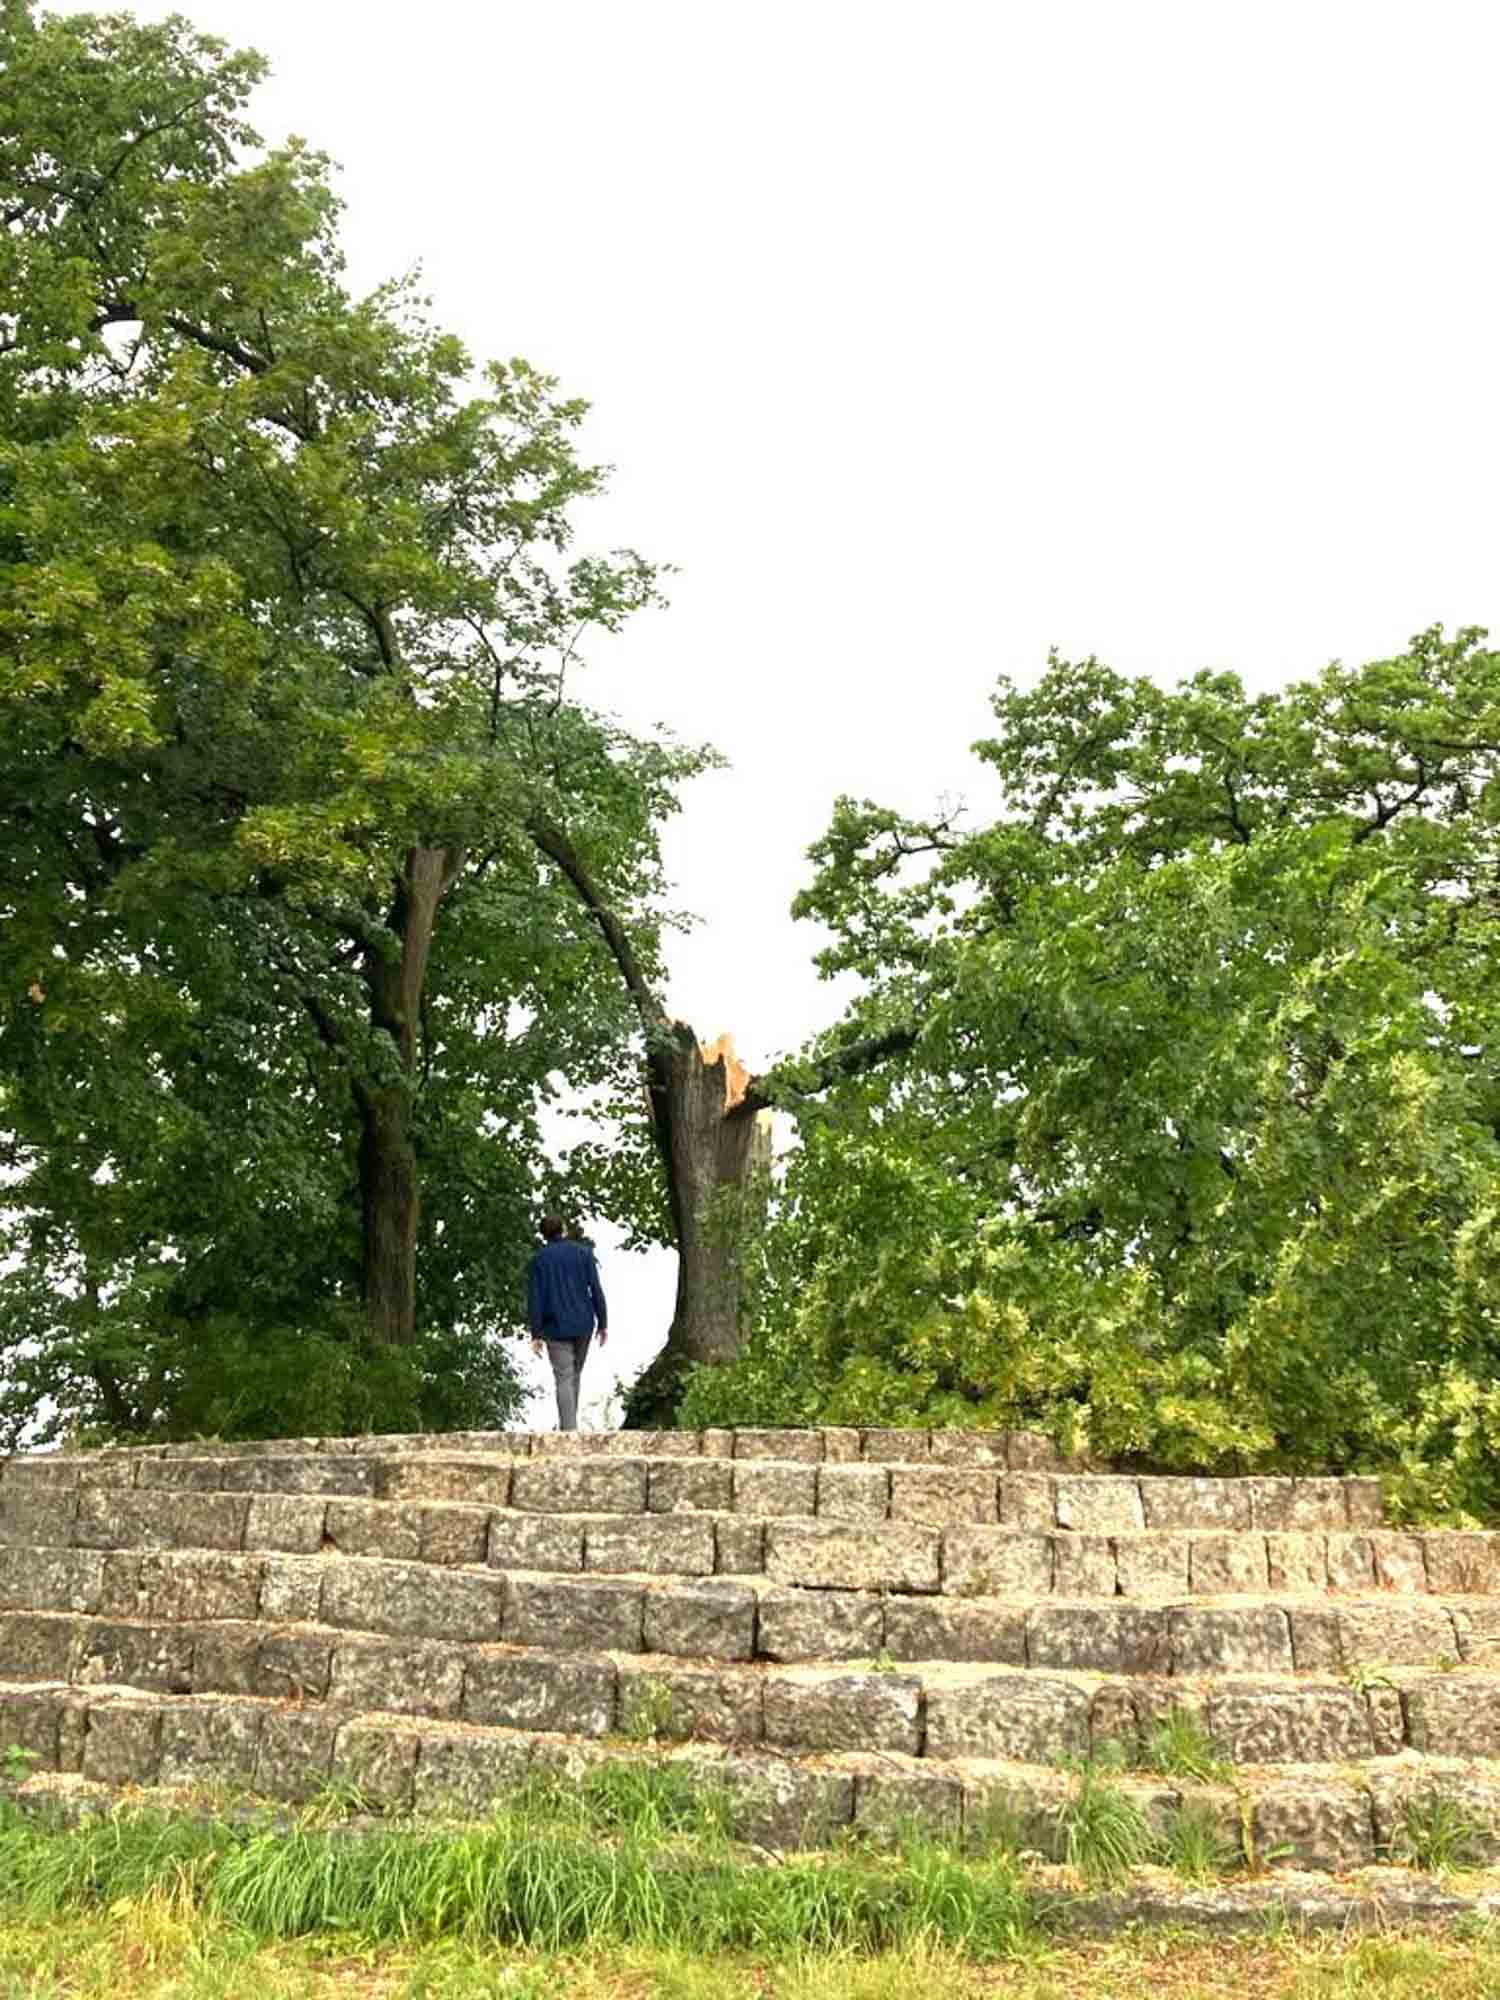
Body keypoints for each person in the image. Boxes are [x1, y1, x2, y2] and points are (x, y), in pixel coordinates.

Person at [527, 1213, 608, 1431]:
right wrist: (603, 1323)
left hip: (556, 1326)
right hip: (583, 1323)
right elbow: (596, 1290)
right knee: (574, 1375)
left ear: (543, 1234)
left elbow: (536, 1298)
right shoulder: (583, 1253)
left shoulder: (539, 1260)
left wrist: (536, 1333)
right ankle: (570, 1426)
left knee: (564, 1377)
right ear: (562, 1229)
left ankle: (569, 1431)